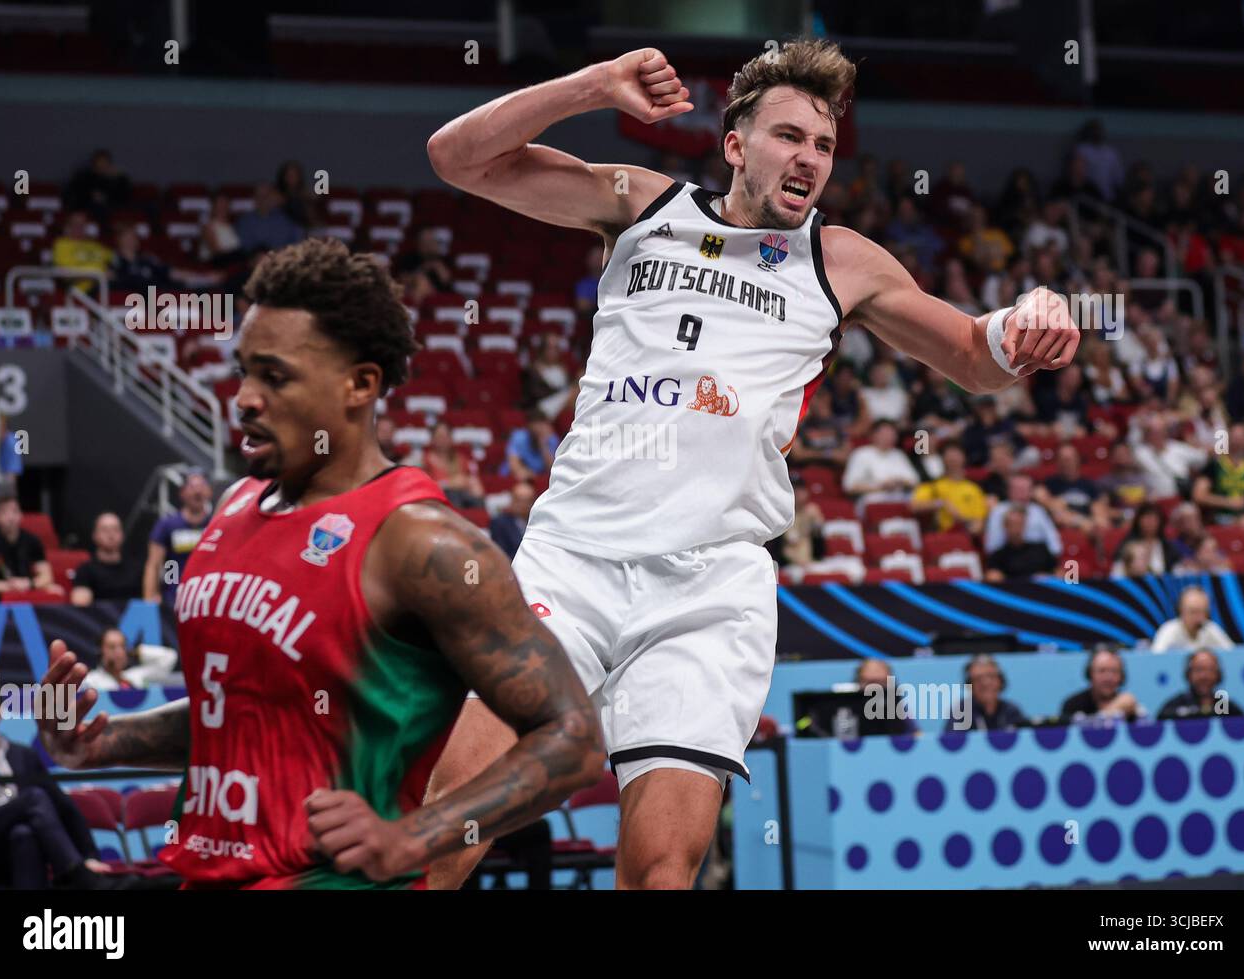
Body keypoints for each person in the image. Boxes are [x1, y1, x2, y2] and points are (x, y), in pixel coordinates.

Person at [424, 39, 1079, 889]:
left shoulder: (839, 260)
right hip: (575, 556)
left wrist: (1028, 317)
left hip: (710, 589)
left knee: (661, 868)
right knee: (453, 818)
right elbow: (457, 157)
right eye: (789, 137)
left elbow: (973, 356)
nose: (809, 158)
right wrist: (592, 86)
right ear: (735, 144)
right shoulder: (641, 202)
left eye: (824, 145)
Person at [36, 238, 605, 889]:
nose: (245, 397)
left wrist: (414, 834)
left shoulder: (424, 542)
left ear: (360, 384)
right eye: (244, 369)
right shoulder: (234, 505)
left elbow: (572, 737)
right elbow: (252, 715)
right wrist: (102, 743)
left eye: (274, 376)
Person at [0, 678, 116, 889]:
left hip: (16, 847)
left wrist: (89, 856)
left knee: (24, 834)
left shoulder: (25, 755)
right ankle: (74, 873)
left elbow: (63, 804)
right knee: (34, 797)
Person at [142, 470, 214, 608]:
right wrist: (149, 597)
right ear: (182, 493)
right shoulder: (167, 524)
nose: (197, 491)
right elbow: (153, 564)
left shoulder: (216, 524)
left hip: (206, 599)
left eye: (202, 486)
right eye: (192, 487)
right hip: (173, 597)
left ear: (209, 492)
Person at [0, 494, 63, 600]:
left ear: (21, 515)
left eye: (15, 511)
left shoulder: (33, 541)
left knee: (56, 590)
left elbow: (47, 576)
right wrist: (8, 586)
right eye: (5, 513)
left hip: (27, 583)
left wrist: (29, 584)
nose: (11, 517)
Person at [911, 441, 986, 534]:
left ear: (964, 458)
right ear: (943, 459)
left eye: (956, 455)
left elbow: (979, 522)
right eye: (949, 456)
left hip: (966, 536)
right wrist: (941, 503)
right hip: (943, 536)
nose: (953, 460)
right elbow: (914, 506)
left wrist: (964, 526)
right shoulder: (933, 486)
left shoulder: (973, 488)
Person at [841, 418, 919, 505]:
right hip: (873, 502)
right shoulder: (861, 454)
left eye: (892, 433)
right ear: (873, 435)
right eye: (885, 433)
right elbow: (850, 487)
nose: (889, 437)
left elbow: (915, 481)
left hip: (901, 500)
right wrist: (881, 486)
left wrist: (900, 482)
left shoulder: (898, 454)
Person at [71, 512, 143, 605]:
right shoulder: (85, 571)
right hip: (99, 618)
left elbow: (150, 602)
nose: (111, 535)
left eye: (115, 529)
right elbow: (80, 604)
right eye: (105, 530)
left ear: (122, 535)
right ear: (95, 535)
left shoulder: (137, 569)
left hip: (133, 617)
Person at [982, 474, 1061, 556]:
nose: (1021, 494)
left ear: (1031, 492)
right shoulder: (998, 511)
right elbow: (992, 546)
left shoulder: (1038, 510)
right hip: (1007, 556)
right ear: (1009, 491)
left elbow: (1053, 541)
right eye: (1017, 489)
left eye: (1025, 489)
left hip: (1037, 556)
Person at [1058, 648, 1144, 724]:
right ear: (1090, 674)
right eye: (1102, 671)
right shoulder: (1072, 705)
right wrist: (1114, 709)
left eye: (1114, 671)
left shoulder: (1129, 706)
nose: (1108, 678)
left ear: (1122, 676)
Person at [1157, 649, 1244, 720]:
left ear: (1218, 675)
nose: (1204, 676)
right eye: (1199, 670)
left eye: (1210, 670)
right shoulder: (1173, 707)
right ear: (1188, 674)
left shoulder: (1227, 707)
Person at [81, 628, 179, 692]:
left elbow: (169, 657)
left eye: (123, 646)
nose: (119, 652)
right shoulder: (90, 681)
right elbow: (67, 714)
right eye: (112, 647)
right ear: (100, 651)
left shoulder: (137, 676)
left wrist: (135, 652)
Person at [949, 654, 1028, 732]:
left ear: (1001, 681)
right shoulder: (962, 712)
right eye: (978, 679)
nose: (986, 683)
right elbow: (952, 742)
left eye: (991, 677)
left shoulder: (1011, 711)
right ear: (969, 684)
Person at [1151, 586, 1234, 653]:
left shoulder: (1211, 629)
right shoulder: (1168, 631)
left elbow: (1232, 654)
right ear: (1181, 611)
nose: (1199, 618)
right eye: (1193, 612)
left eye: (1203, 612)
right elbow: (1155, 659)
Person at [422, 421, 485, 509]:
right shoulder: (423, 460)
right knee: (453, 494)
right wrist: (448, 483)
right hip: (436, 503)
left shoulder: (461, 459)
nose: (443, 439)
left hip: (463, 497)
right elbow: (422, 488)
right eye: (440, 436)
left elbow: (471, 480)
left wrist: (472, 483)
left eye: (446, 436)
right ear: (432, 439)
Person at [985, 507, 1057, 581]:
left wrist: (1048, 578)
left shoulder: (1040, 549)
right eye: (1012, 524)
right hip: (1012, 590)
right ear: (1005, 526)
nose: (1016, 528)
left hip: (1042, 590)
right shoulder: (997, 556)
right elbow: (992, 577)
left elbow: (1058, 571)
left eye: (1019, 523)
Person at [502, 409, 560, 480]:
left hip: (539, 477)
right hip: (513, 476)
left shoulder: (552, 439)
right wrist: (529, 474)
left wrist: (543, 444)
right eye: (536, 424)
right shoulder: (519, 437)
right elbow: (514, 465)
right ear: (529, 425)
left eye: (542, 424)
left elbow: (552, 468)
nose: (539, 428)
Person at [489, 481, 536, 559]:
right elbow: (502, 554)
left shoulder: (538, 522)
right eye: (519, 500)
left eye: (527, 501)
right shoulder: (499, 523)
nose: (522, 505)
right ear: (512, 500)